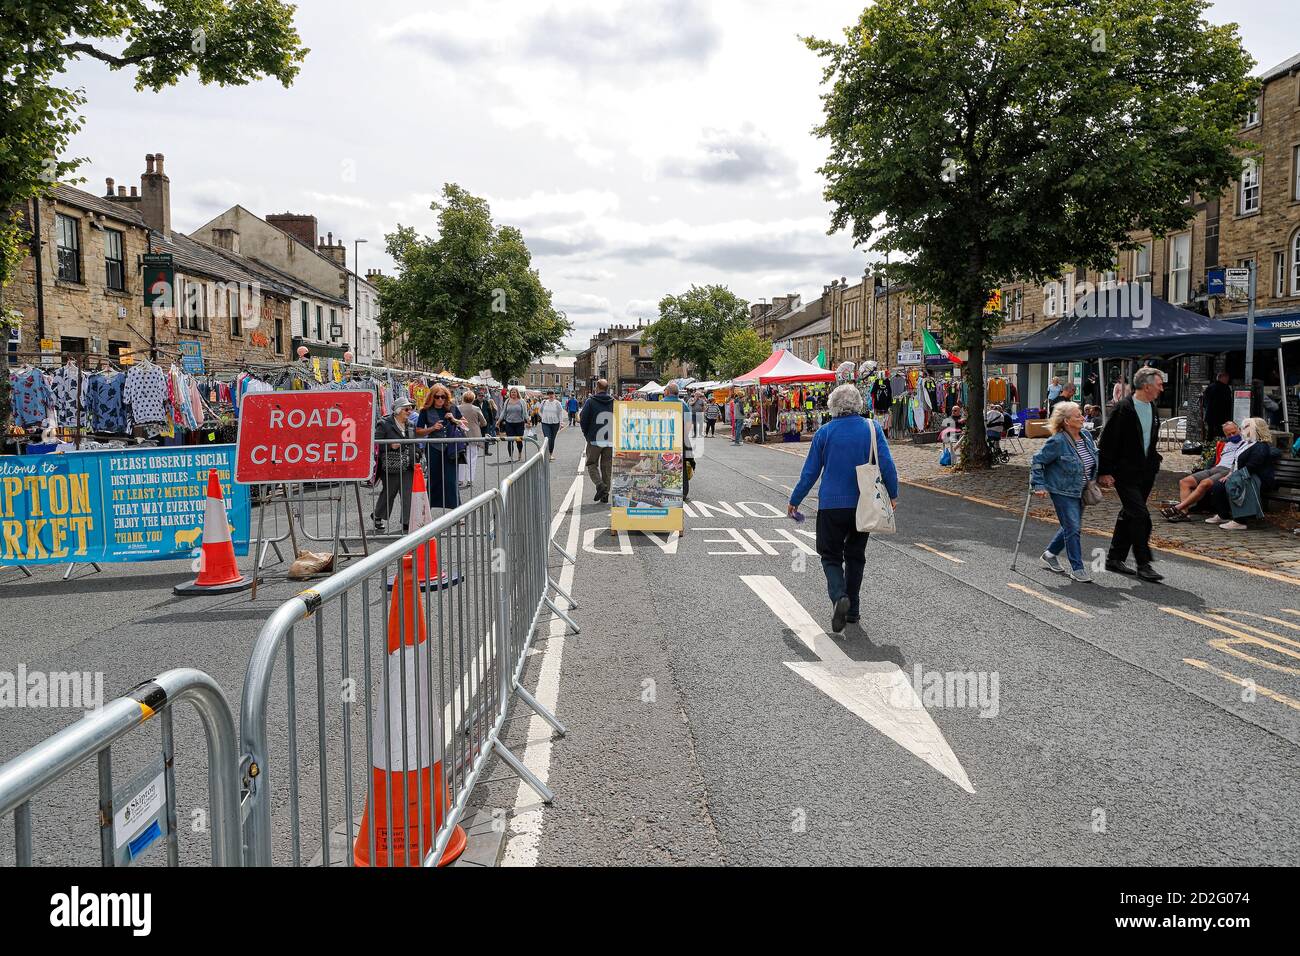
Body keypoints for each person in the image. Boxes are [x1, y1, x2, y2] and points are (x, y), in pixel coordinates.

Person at [788, 384, 898, 634]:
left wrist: (795, 499)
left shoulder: (824, 433)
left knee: (830, 555)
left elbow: (810, 472)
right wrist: (893, 494)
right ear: (859, 404)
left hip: (831, 505)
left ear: (832, 406)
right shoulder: (872, 428)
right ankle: (853, 610)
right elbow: (887, 465)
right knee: (856, 556)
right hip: (864, 504)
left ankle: (839, 596)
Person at [1097, 365, 1164, 582]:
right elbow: (1107, 442)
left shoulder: (1152, 407)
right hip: (1124, 473)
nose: (1162, 389)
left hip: (1145, 472)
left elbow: (1149, 440)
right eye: (1159, 385)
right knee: (1140, 515)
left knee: (1129, 513)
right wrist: (1104, 471)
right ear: (1147, 386)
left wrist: (1154, 461)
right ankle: (1143, 564)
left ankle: (1114, 558)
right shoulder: (1123, 409)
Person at [1030, 401, 1098, 582]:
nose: (1083, 417)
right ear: (1067, 421)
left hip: (1081, 490)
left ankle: (1050, 554)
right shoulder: (1057, 441)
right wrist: (1038, 485)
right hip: (1062, 491)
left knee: (1070, 526)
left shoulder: (1086, 436)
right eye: (1078, 416)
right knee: (1073, 528)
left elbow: (1094, 455)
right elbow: (1038, 461)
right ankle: (1077, 568)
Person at [1205, 418, 1280, 530]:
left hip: (1256, 478)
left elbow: (1252, 466)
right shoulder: (1246, 444)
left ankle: (1240, 520)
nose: (1243, 430)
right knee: (1218, 486)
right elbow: (1236, 462)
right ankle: (1223, 515)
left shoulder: (1260, 446)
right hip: (1244, 475)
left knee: (1236, 485)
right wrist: (1230, 474)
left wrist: (1234, 477)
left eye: (1246, 427)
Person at [1161, 421, 1242, 522]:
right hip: (1216, 468)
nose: (1232, 435)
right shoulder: (1226, 443)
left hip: (1228, 469)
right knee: (1184, 482)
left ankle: (1178, 508)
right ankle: (1184, 513)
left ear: (1239, 429)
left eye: (1234, 432)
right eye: (1228, 434)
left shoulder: (1245, 441)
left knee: (1205, 483)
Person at [415, 384, 468, 510]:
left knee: (451, 480)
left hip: (451, 449)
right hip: (433, 448)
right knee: (434, 479)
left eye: (443, 397)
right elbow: (418, 431)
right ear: (432, 397)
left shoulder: (453, 408)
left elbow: (465, 424)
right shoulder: (425, 411)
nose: (440, 400)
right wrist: (432, 428)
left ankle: (456, 510)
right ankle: (427, 511)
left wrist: (454, 419)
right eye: (437, 397)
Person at [372, 398, 416, 534]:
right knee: (389, 493)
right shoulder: (384, 424)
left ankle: (406, 522)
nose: (410, 412)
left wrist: (418, 455)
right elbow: (375, 443)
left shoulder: (411, 424)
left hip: (408, 463)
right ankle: (378, 515)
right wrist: (390, 445)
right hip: (391, 464)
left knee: (408, 493)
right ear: (397, 410)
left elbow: (414, 442)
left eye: (411, 409)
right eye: (406, 409)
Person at [581, 378, 615, 503]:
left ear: (597, 388)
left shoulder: (590, 402)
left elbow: (584, 420)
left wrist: (587, 435)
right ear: (607, 389)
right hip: (610, 439)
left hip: (594, 439)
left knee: (591, 464)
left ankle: (600, 485)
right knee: (606, 467)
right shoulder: (614, 402)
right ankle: (605, 494)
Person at [663, 382, 695, 501]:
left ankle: (666, 490)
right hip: (681, 439)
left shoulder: (660, 404)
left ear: (667, 392)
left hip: (665, 439)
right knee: (681, 464)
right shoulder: (683, 405)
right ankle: (684, 492)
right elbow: (688, 423)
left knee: (665, 464)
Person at [457, 390, 488, 487]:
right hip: (474, 434)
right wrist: (477, 424)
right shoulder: (476, 408)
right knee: (472, 458)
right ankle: (470, 479)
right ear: (473, 398)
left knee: (461, 457)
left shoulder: (457, 408)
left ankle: (460, 479)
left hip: (461, 434)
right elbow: (484, 423)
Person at [1202, 371, 1232, 440]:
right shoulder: (1225, 388)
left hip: (1210, 416)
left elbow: (1204, 402)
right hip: (1221, 417)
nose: (1228, 380)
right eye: (1227, 378)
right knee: (1221, 436)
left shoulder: (1210, 387)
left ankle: (1209, 448)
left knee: (1210, 434)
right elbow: (1227, 403)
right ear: (1222, 378)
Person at [500, 387, 528, 460]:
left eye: (514, 392)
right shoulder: (507, 401)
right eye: (512, 392)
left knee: (518, 440)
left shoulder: (522, 401)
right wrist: (499, 420)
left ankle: (519, 453)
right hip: (509, 423)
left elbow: (525, 413)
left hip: (519, 424)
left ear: (517, 393)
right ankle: (510, 456)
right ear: (510, 393)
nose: (513, 393)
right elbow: (503, 412)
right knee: (510, 440)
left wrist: (528, 421)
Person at [539, 390, 564, 461]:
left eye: (552, 394)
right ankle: (546, 454)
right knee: (547, 438)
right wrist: (543, 417)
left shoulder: (557, 403)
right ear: (547, 395)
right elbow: (539, 411)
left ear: (554, 395)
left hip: (555, 423)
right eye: (549, 394)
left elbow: (560, 413)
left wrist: (561, 423)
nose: (550, 395)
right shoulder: (544, 402)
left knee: (552, 440)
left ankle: (550, 454)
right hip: (545, 423)